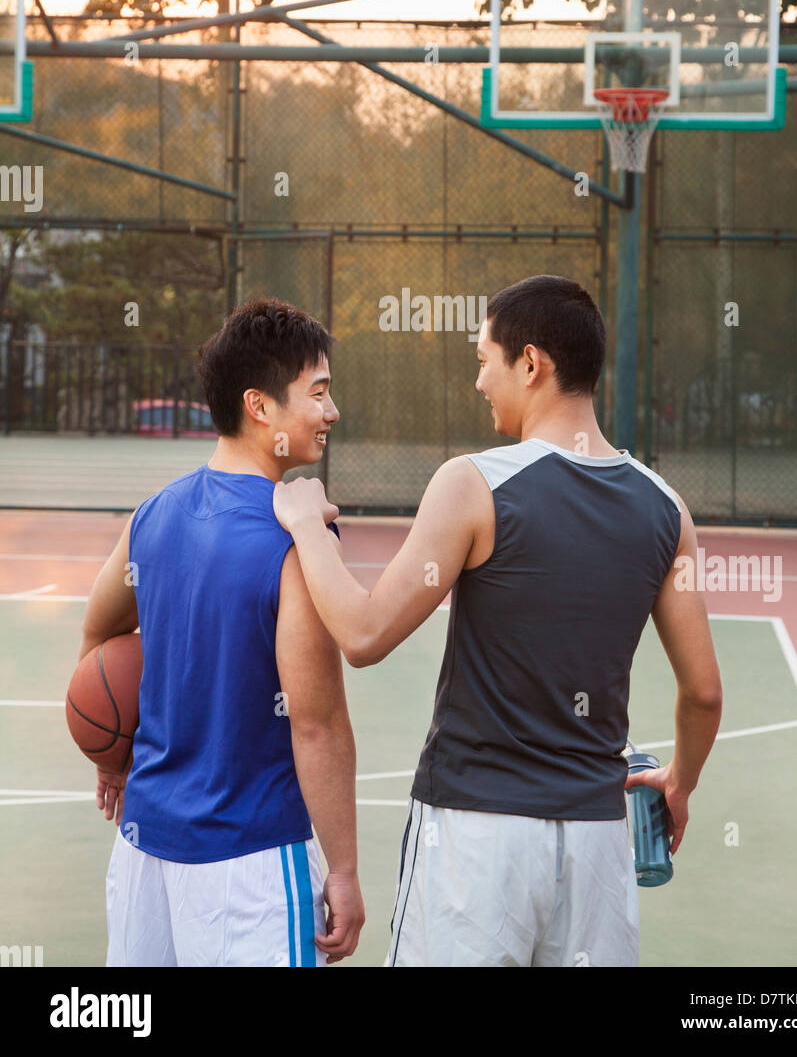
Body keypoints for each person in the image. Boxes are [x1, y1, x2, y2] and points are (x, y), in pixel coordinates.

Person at [273, 274, 723, 967]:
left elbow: (363, 636)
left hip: (474, 838)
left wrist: (305, 524)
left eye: (486, 361)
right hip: (597, 844)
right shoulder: (668, 510)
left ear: (532, 364)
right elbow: (703, 693)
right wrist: (680, 782)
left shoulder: (474, 483)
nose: (482, 382)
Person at [77, 299, 363, 966]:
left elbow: (96, 637)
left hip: (143, 855)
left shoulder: (153, 516)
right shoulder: (296, 537)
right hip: (251, 866)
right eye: (318, 392)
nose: (332, 411)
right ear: (261, 407)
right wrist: (343, 871)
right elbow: (315, 722)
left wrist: (114, 760)